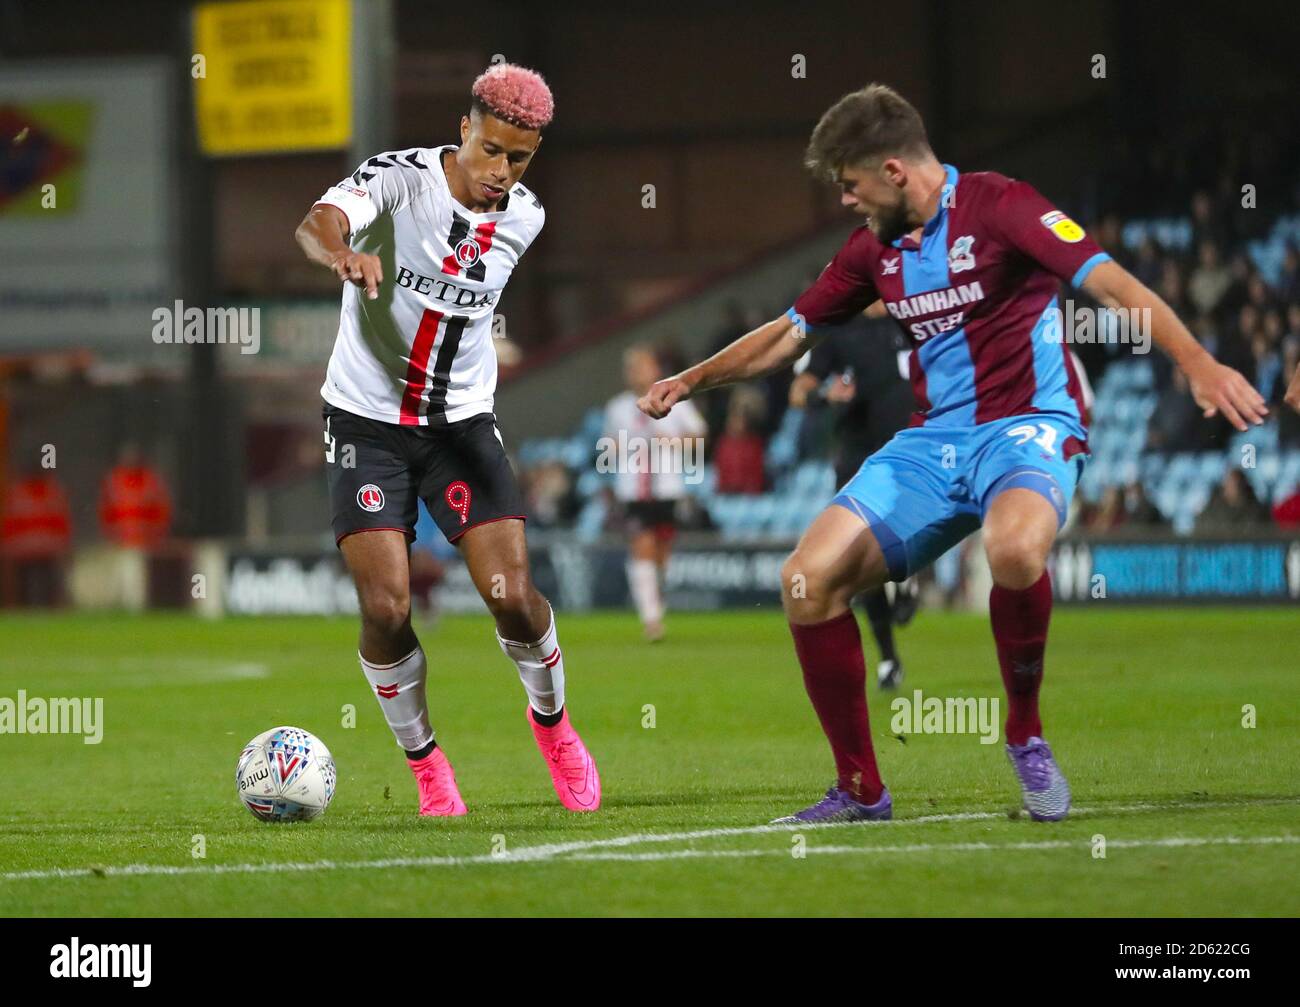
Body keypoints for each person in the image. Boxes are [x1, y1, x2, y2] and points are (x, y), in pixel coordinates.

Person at [638, 83, 1269, 824]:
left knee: (1013, 549)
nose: (846, 201)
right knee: (806, 582)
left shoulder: (1003, 206)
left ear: (894, 172)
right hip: (933, 441)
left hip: (1029, 423)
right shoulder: (873, 249)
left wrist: (1195, 361)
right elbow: (788, 332)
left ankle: (1025, 732)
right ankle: (860, 790)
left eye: (851, 185)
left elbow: (1112, 282)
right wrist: (693, 378)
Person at [294, 64, 599, 817]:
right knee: (388, 605)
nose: (500, 170)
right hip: (365, 422)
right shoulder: (398, 182)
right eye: (490, 149)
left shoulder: (526, 220)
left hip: (460, 425)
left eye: (518, 158)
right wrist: (340, 253)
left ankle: (554, 726)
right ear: (465, 128)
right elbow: (318, 220)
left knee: (512, 596)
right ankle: (428, 765)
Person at [789, 312, 918, 690]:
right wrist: (824, 393)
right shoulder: (838, 330)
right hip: (857, 456)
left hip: (911, 448)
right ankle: (889, 658)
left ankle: (907, 576)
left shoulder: (913, 312)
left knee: (905, 531)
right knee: (856, 553)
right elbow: (799, 391)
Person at [604, 344, 707, 641]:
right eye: (631, 368)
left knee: (661, 554)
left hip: (667, 487)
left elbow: (699, 436)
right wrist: (619, 447)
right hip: (633, 490)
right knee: (642, 545)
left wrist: (673, 442)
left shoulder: (674, 399)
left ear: (655, 369)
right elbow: (606, 447)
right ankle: (651, 620)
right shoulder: (617, 408)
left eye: (641, 366)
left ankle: (655, 600)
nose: (635, 373)